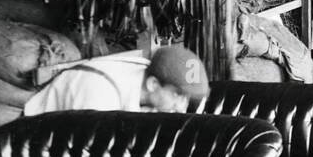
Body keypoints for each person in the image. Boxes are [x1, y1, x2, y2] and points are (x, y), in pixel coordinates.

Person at [23, 45, 210, 115]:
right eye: (177, 95)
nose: (181, 107)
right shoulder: (101, 92)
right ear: (153, 84)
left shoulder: (149, 92)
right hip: (30, 151)